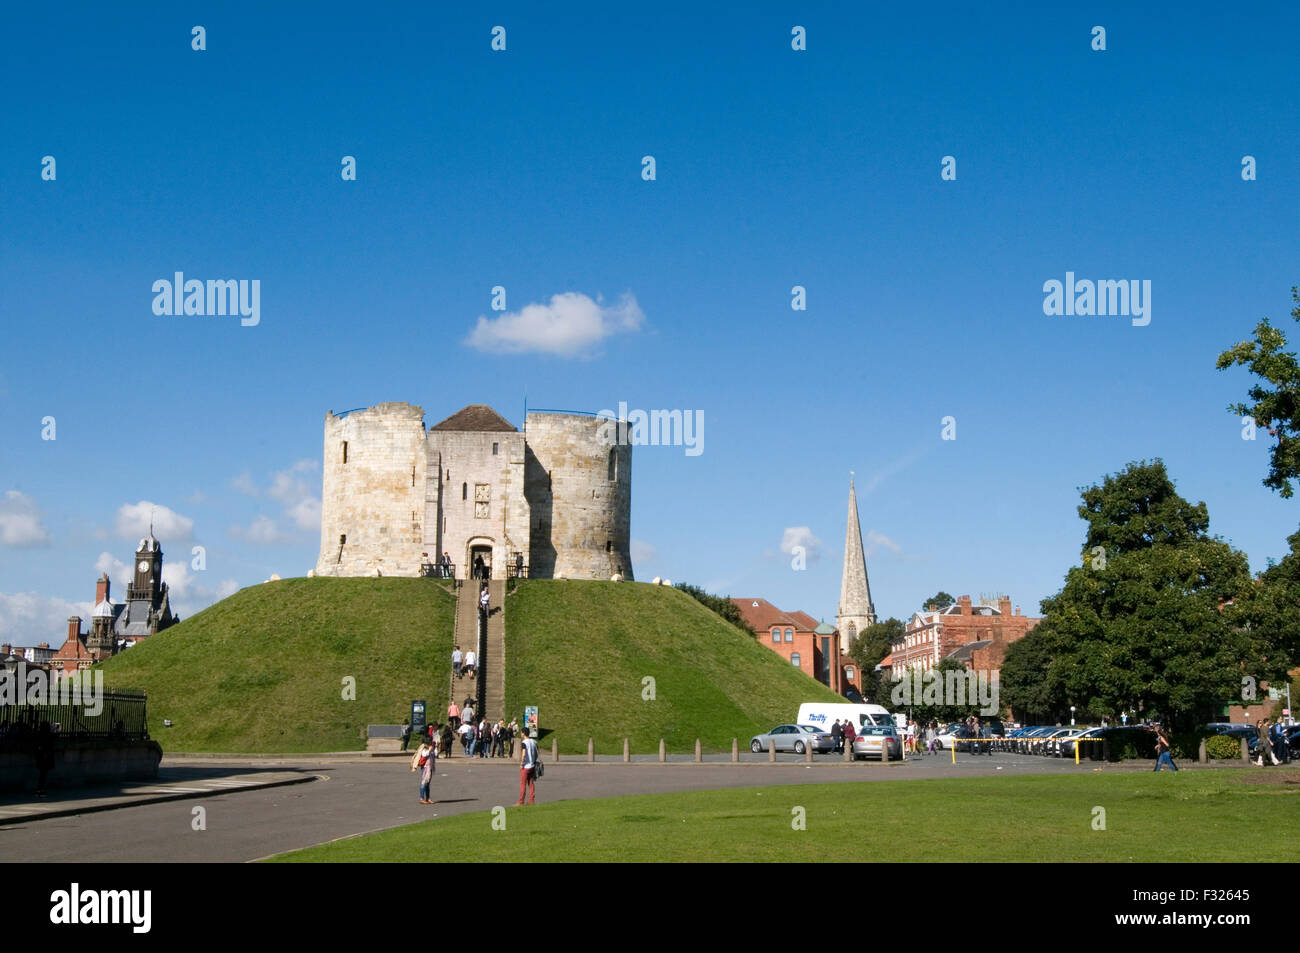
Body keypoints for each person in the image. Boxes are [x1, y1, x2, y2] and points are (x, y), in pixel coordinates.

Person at [411, 736, 435, 804]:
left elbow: (435, 754)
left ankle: (428, 798)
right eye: (431, 741)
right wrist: (429, 750)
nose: (432, 742)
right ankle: (421, 798)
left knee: (427, 783)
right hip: (425, 767)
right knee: (423, 782)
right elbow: (424, 755)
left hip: (429, 767)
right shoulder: (424, 748)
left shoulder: (430, 747)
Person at [518, 726, 538, 805]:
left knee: (523, 784)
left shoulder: (524, 742)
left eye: (521, 732)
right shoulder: (533, 741)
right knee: (531, 783)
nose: (520, 734)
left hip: (526, 766)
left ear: (523, 733)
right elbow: (536, 753)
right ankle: (531, 800)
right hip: (532, 765)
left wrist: (522, 763)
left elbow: (523, 754)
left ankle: (521, 801)